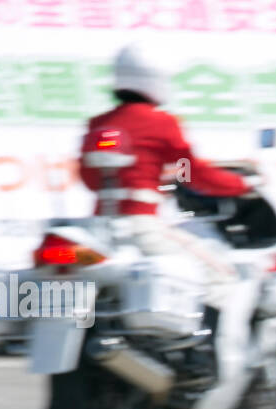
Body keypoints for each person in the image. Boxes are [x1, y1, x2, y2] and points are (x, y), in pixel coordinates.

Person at [78, 44, 252, 333]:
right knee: (221, 277)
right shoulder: (163, 123)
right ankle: (204, 354)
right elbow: (189, 172)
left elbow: (88, 178)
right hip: (142, 227)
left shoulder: (97, 124)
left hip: (98, 229)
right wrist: (239, 184)